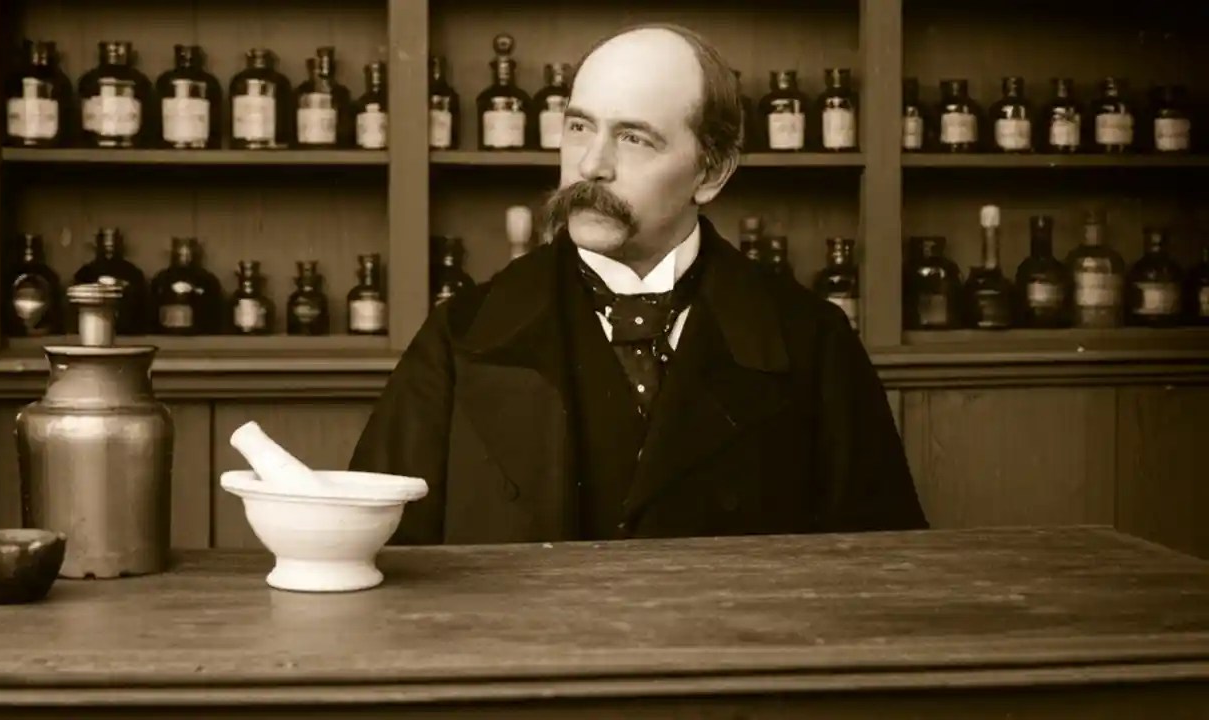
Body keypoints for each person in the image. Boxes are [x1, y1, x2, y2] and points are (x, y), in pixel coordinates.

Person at [349, 23, 928, 544]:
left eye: (633, 138)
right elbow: (375, 555)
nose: (590, 165)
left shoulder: (813, 340)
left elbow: (883, 566)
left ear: (711, 171)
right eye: (578, 128)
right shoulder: (460, 335)